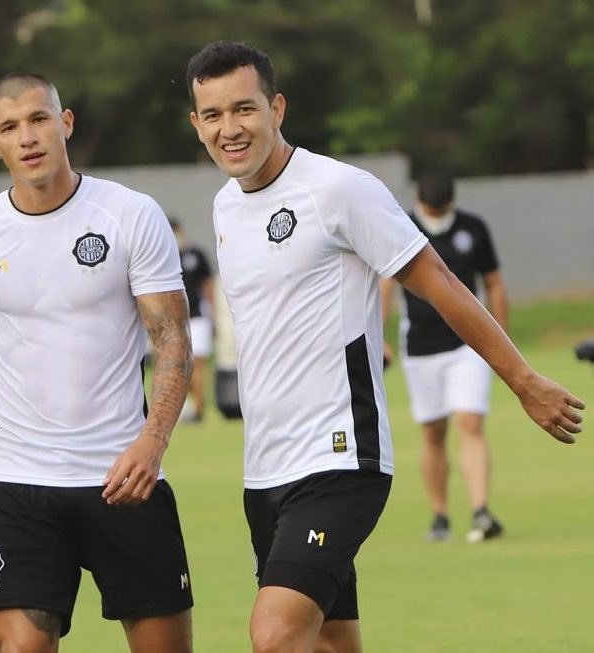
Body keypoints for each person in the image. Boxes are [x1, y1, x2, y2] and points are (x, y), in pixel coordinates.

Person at [185, 41, 584, 653]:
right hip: (265, 469)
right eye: (212, 115)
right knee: (331, 643)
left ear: (277, 108)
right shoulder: (223, 207)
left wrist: (523, 380)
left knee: (275, 635)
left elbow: (440, 284)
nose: (229, 129)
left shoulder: (339, 189)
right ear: (197, 123)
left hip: (342, 458)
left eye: (244, 109)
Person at [0, 72, 196, 653]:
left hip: (124, 478)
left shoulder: (130, 214)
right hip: (20, 484)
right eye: (9, 127)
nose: (27, 137)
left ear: (65, 122)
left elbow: (172, 340)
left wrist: (153, 442)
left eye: (38, 119)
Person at [378, 172, 508, 543]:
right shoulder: (402, 226)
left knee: (470, 422)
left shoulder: (474, 228)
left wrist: (502, 338)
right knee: (434, 431)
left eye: (442, 210)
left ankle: (481, 511)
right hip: (419, 346)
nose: (437, 216)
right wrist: (381, 338)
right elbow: (385, 285)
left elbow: (494, 283)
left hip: (469, 345)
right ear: (419, 201)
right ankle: (440, 516)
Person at [171, 218, 215, 422]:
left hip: (197, 317)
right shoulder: (167, 258)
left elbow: (208, 285)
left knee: (198, 363)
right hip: (176, 321)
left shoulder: (196, 255)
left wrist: (212, 313)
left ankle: (199, 407)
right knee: (180, 365)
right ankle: (184, 405)